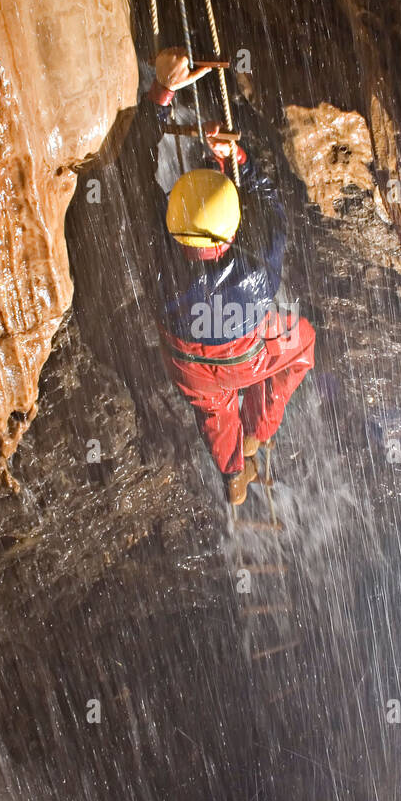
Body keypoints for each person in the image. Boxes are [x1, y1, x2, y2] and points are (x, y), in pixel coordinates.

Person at [145, 47, 316, 506]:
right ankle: (258, 432)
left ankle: (234, 469)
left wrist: (161, 96)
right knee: (301, 345)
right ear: (232, 228)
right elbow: (271, 200)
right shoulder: (257, 261)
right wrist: (234, 157)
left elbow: (131, 170)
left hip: (187, 363)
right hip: (244, 356)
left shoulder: (155, 248)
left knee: (214, 413)